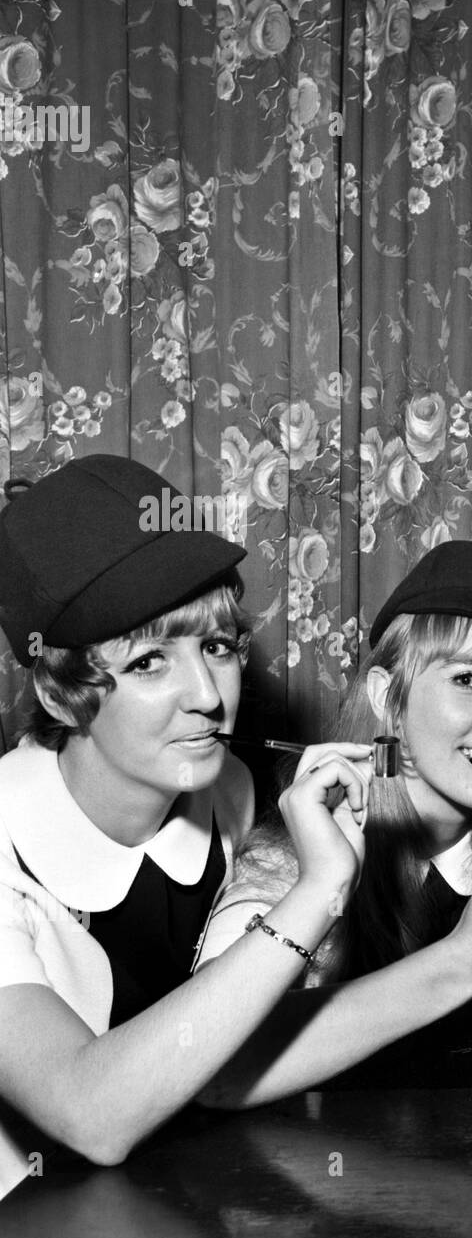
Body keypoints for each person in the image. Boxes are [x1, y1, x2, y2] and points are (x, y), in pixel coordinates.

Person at [0, 454, 339, 1166]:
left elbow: (229, 1065)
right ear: (60, 694)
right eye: (149, 661)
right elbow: (89, 1113)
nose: (209, 697)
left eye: (216, 647)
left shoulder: (232, 792)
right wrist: (317, 893)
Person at [195, 540, 472, 1093]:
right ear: (387, 697)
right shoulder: (294, 866)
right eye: (468, 678)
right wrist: (464, 958)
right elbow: (207, 1067)